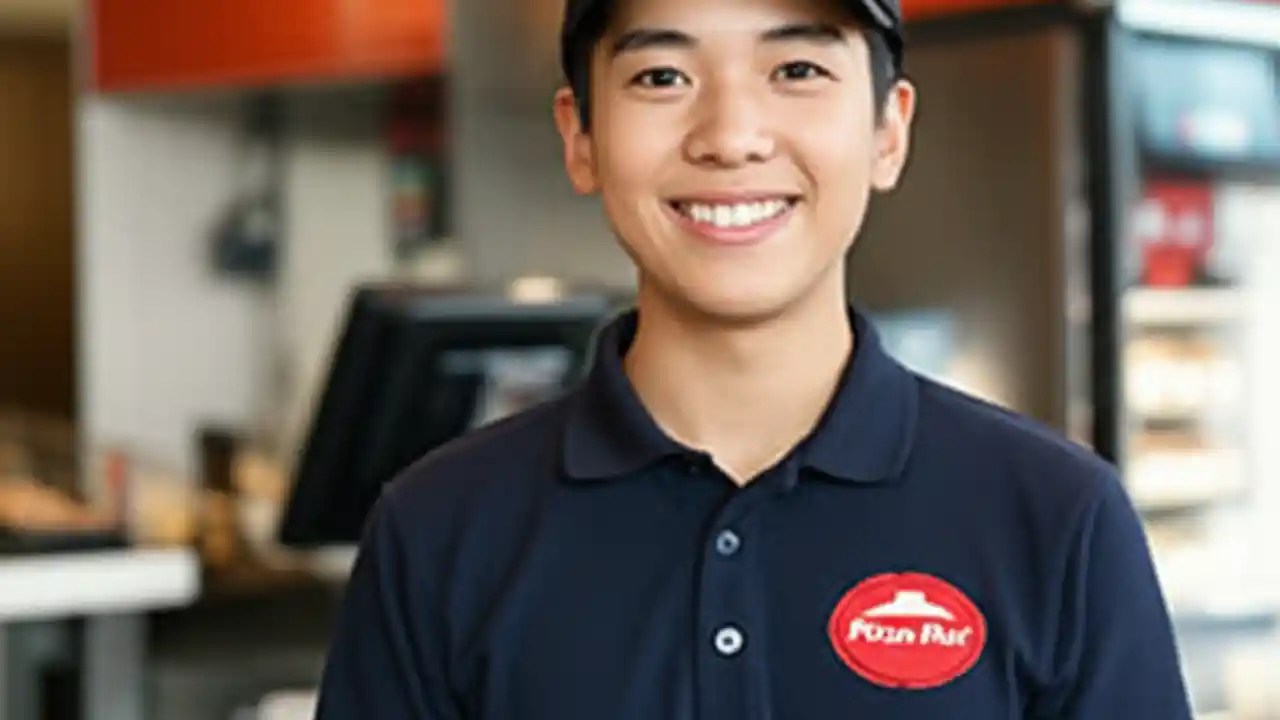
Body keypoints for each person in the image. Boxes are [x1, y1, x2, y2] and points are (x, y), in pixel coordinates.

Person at [316, 0, 1193, 716]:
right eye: (663, 76)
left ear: (888, 132)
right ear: (580, 136)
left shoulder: (1058, 519)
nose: (731, 137)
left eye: (797, 70)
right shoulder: (436, 532)